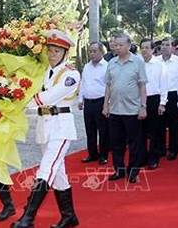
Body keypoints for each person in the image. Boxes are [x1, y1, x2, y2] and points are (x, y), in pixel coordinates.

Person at [12, 29, 80, 228]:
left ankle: (28, 217)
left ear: (65, 53)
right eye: (49, 50)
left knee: (46, 169)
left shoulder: (71, 74)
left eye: (57, 51)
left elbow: (48, 97)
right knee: (58, 174)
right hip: (45, 126)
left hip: (61, 127)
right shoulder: (43, 72)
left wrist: (19, 104)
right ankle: (69, 216)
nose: (52, 55)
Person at [102, 33, 148, 183]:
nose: (118, 48)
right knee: (116, 143)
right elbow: (108, 86)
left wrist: (143, 107)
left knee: (134, 143)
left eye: (121, 45)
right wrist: (105, 105)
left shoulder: (137, 62)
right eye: (115, 45)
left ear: (129, 46)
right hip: (115, 110)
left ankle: (133, 171)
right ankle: (119, 170)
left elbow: (142, 86)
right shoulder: (112, 62)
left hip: (132, 110)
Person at [78, 42, 109, 165]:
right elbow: (83, 83)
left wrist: (108, 103)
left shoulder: (107, 66)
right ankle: (92, 153)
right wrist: (80, 99)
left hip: (101, 101)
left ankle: (103, 155)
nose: (92, 53)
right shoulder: (86, 66)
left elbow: (109, 86)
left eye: (95, 51)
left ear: (101, 52)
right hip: (88, 102)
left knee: (103, 130)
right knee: (89, 129)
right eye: (90, 51)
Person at [156, 37, 178, 161]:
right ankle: (161, 148)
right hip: (159, 95)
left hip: (174, 95)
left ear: (173, 48)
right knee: (159, 124)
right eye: (162, 45)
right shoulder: (156, 61)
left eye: (167, 45)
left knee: (174, 124)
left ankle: (173, 149)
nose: (164, 47)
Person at [139, 39, 167, 169]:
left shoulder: (159, 65)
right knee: (140, 131)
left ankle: (153, 158)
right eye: (142, 47)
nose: (144, 50)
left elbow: (164, 85)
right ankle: (142, 157)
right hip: (139, 100)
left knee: (154, 131)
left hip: (154, 99)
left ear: (152, 49)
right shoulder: (137, 64)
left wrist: (162, 103)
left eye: (147, 47)